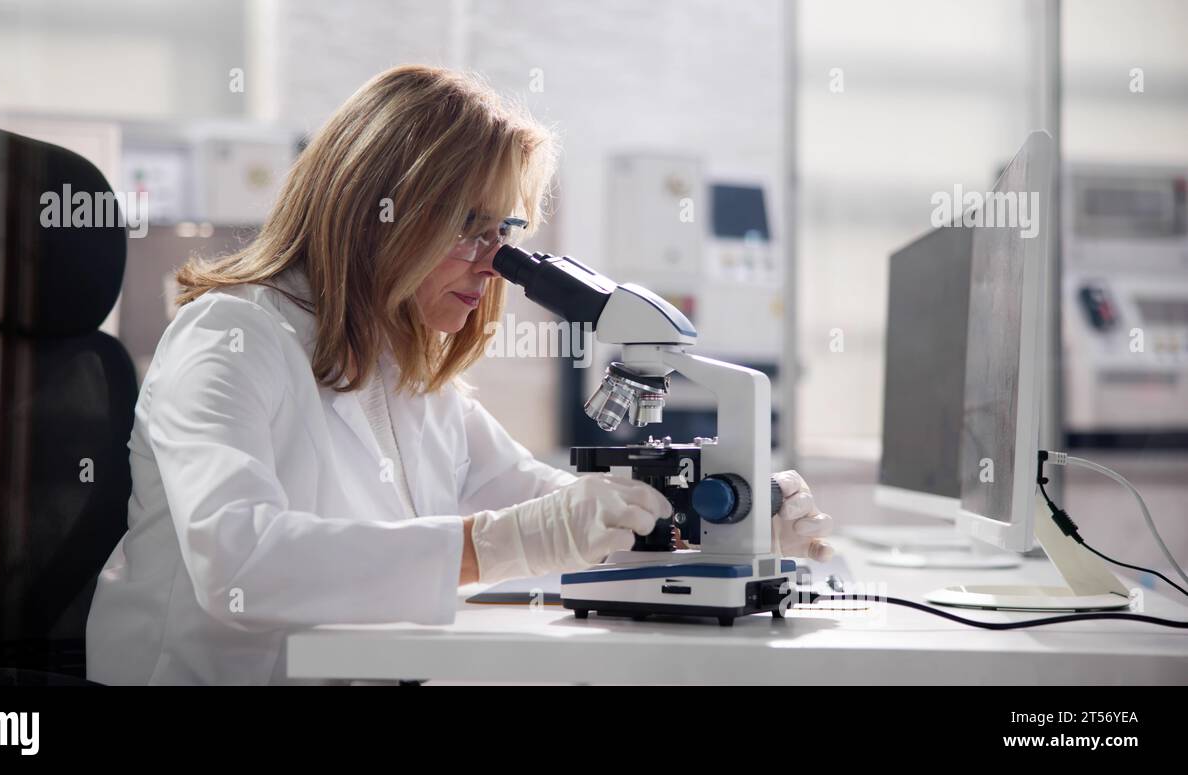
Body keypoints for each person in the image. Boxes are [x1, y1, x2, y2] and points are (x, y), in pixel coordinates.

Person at [85, 64, 834, 685]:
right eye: (470, 228)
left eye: (506, 233)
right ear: (377, 208)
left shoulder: (414, 379)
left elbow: (559, 510)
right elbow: (240, 562)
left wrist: (718, 525)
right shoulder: (230, 339)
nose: (495, 263)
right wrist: (503, 544)